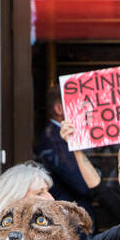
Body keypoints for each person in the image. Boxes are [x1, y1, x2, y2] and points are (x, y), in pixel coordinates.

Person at [35, 86, 93, 220]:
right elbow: (83, 185)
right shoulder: (54, 140)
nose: (83, 110)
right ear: (59, 109)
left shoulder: (59, 137)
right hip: (69, 219)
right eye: (76, 105)